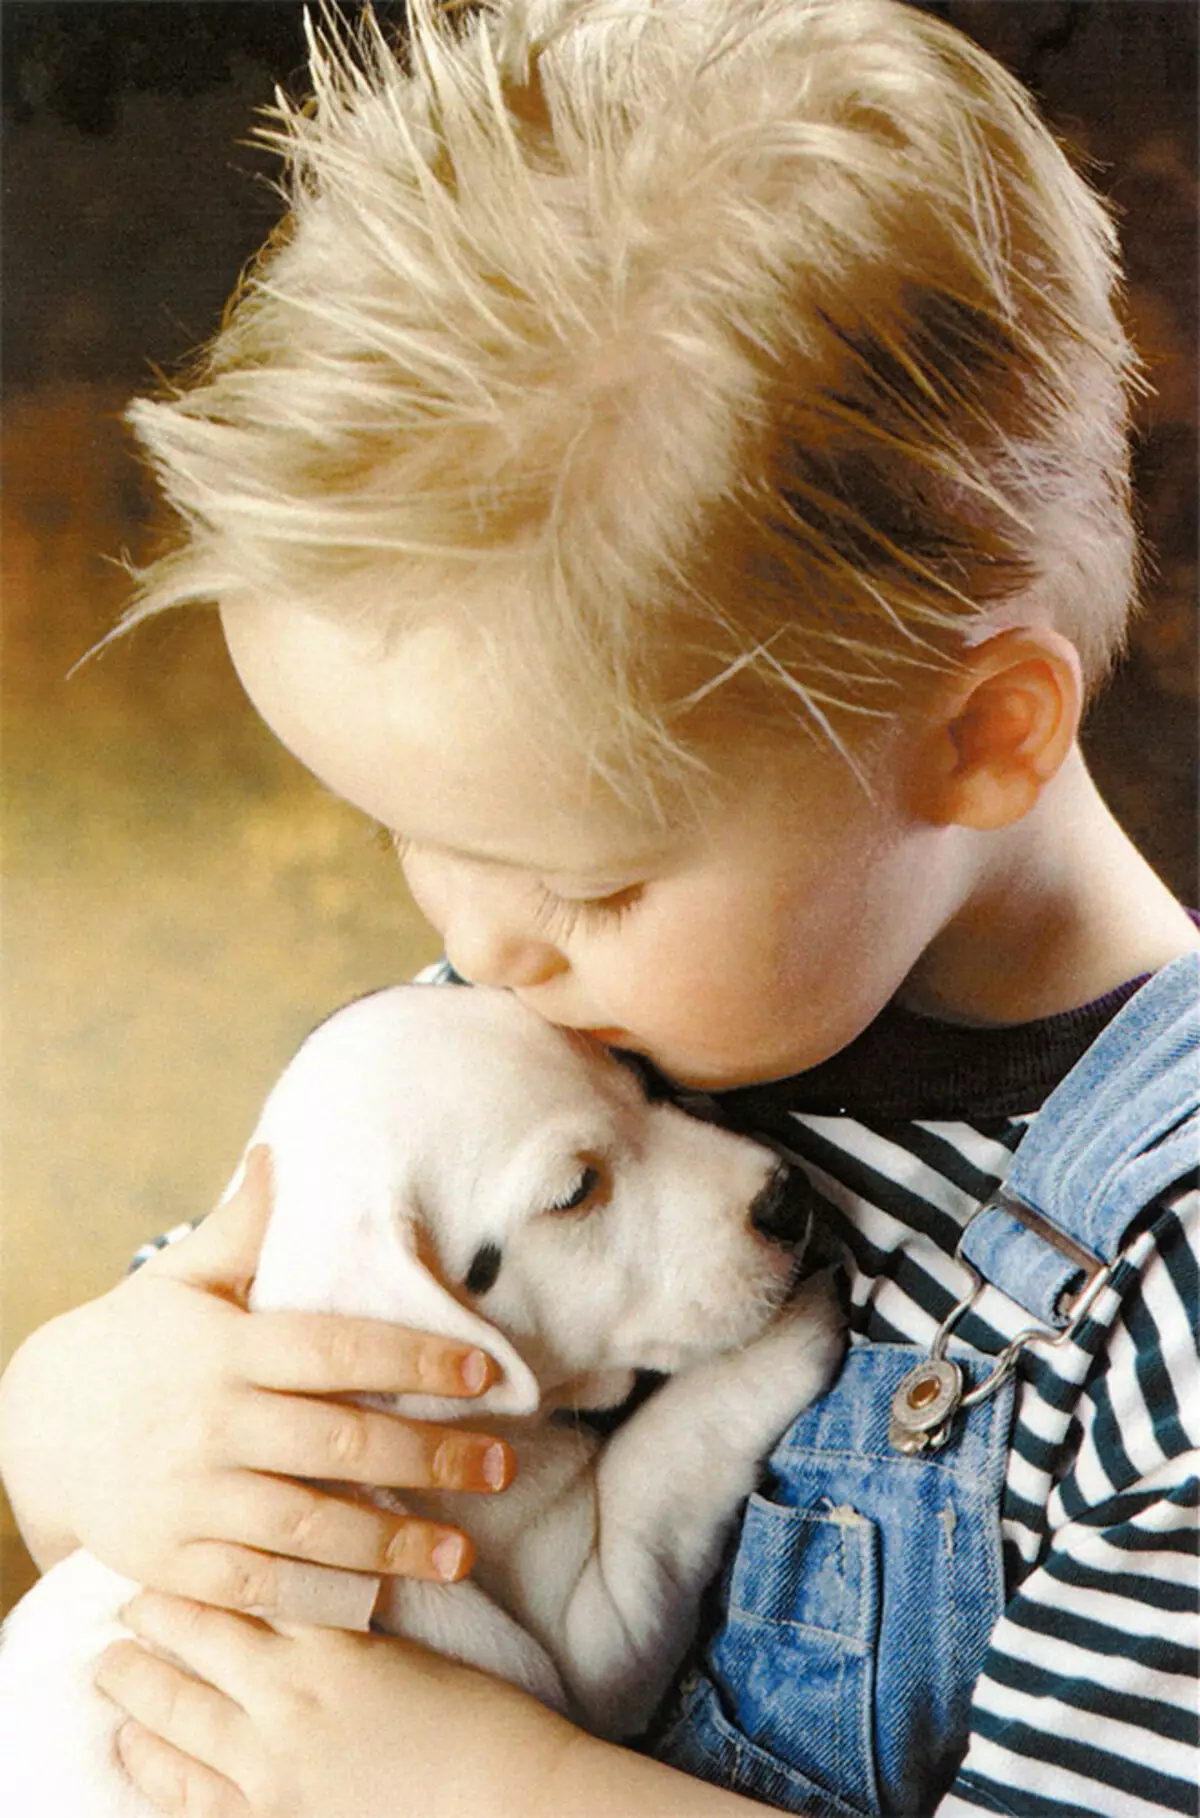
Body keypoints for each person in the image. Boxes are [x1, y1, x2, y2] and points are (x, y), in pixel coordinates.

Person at [1, 1, 1196, 1814]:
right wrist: (85, 1413)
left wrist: (488, 1789)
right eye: (409, 835)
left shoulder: (1167, 1308)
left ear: (979, 737)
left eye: (584, 880)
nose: (485, 951)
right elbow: (215, 1343)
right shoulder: (574, 1023)